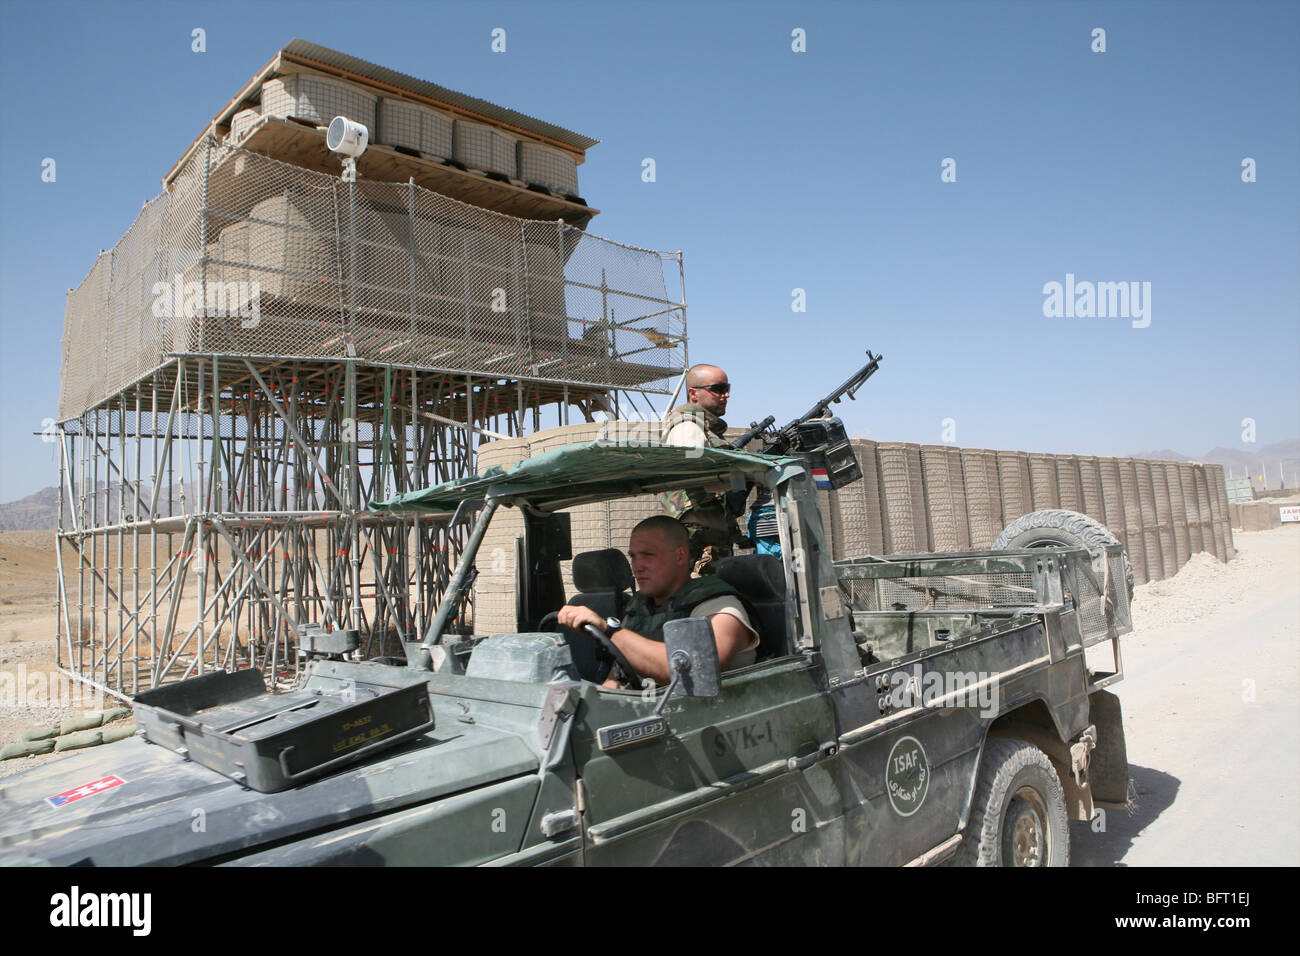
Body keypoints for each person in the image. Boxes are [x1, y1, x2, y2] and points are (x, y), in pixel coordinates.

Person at [556, 515, 758, 688]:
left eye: (647, 556)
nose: (637, 567)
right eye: (633, 557)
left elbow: (695, 670)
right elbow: (615, 679)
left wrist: (609, 631)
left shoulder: (720, 607)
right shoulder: (639, 608)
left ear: (680, 556)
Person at [661, 364, 750, 569]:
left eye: (727, 388)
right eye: (717, 389)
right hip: (698, 539)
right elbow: (692, 469)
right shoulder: (687, 426)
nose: (725, 394)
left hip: (709, 534)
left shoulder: (703, 427)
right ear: (693, 393)